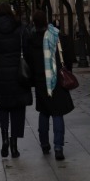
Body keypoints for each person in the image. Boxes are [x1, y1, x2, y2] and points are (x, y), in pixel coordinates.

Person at [0, 3, 32, 158]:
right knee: (18, 108)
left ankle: (4, 138)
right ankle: (14, 145)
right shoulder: (19, 27)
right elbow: (26, 46)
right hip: (18, 73)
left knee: (3, 107)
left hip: (1, 73)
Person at [26, 9, 74, 161]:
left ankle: (45, 144)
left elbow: (29, 61)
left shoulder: (32, 38)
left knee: (44, 112)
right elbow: (68, 55)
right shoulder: (57, 35)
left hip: (41, 81)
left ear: (34, 22)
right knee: (57, 113)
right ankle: (58, 147)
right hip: (57, 79)